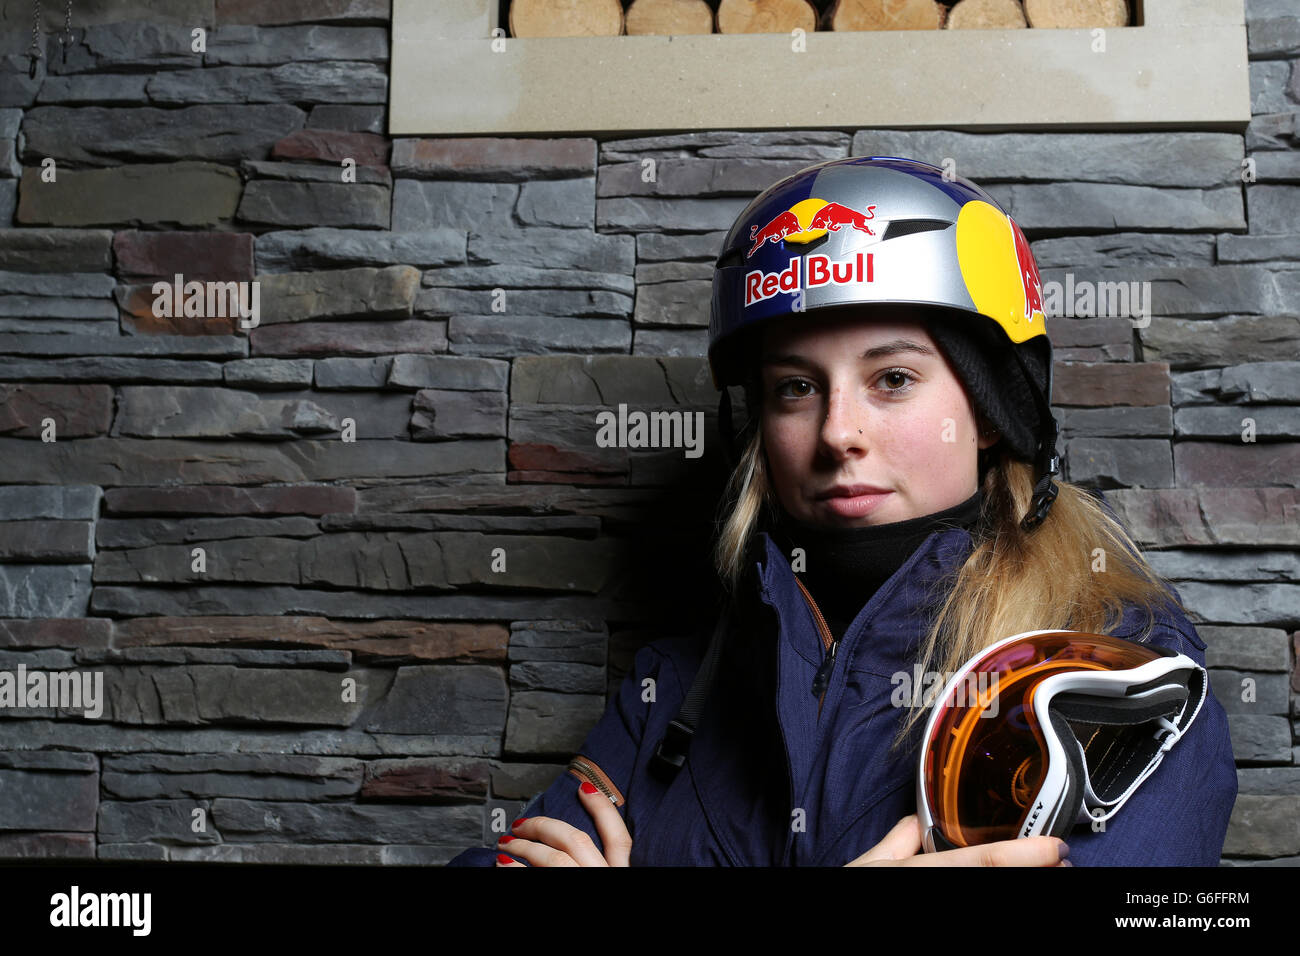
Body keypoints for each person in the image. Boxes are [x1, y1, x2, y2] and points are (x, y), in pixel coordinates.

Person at [446, 157, 1237, 867]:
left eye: (892, 378)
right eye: (795, 387)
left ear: (993, 411)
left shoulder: (1119, 672)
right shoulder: (679, 686)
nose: (836, 433)